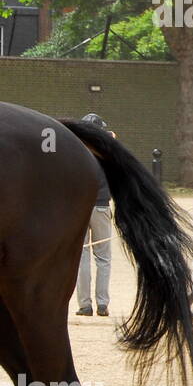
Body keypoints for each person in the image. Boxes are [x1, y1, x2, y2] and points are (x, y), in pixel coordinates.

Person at [75, 113, 114, 317]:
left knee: (82, 256)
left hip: (81, 207)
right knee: (104, 257)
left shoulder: (75, 151)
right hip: (101, 206)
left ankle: (84, 304)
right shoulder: (107, 152)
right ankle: (102, 303)